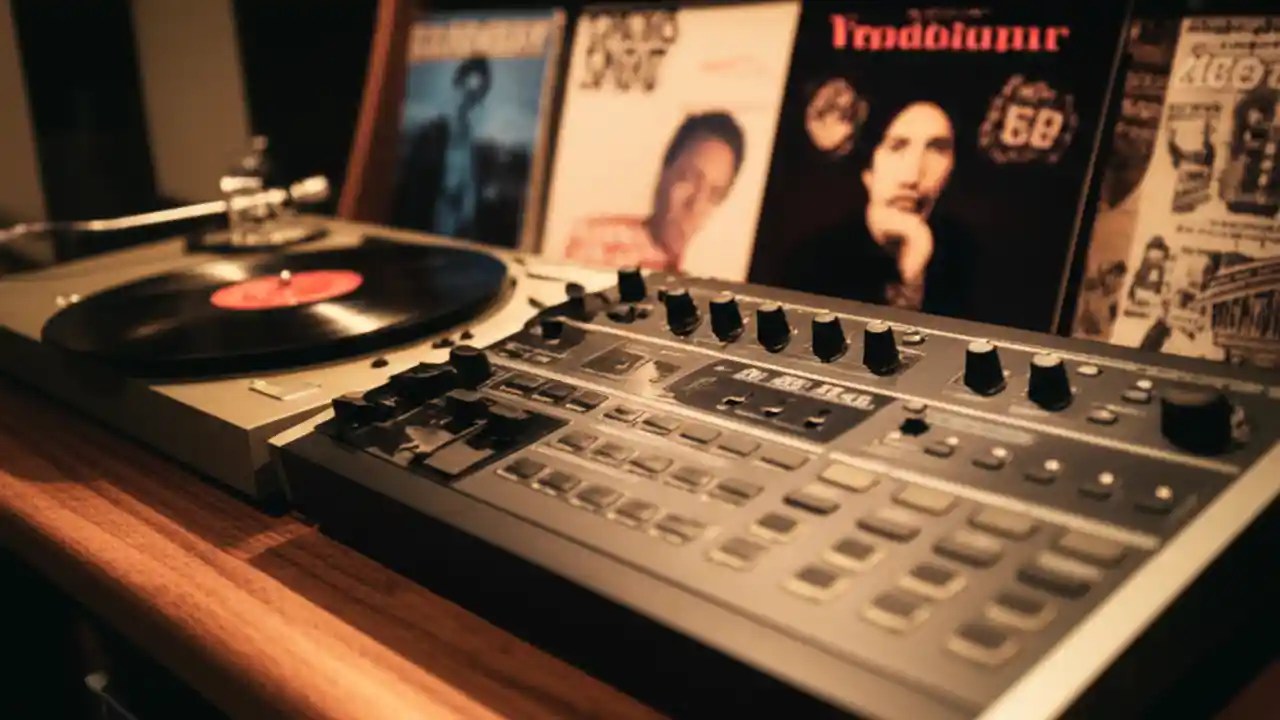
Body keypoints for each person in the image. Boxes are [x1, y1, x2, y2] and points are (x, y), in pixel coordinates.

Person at [780, 99, 976, 316]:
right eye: (897, 146)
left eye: (937, 149)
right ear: (868, 168)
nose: (912, 176)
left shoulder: (969, 261)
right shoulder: (813, 262)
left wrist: (914, 274)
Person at [563, 111, 745, 271]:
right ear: (664, 172)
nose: (696, 205)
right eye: (689, 178)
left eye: (715, 194)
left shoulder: (698, 278)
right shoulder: (598, 242)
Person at [392, 57, 492, 239]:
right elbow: (413, 196)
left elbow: (471, 185)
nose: (468, 101)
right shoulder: (429, 135)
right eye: (465, 91)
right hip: (430, 228)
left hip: (458, 232)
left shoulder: (474, 142)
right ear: (456, 87)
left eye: (475, 96)